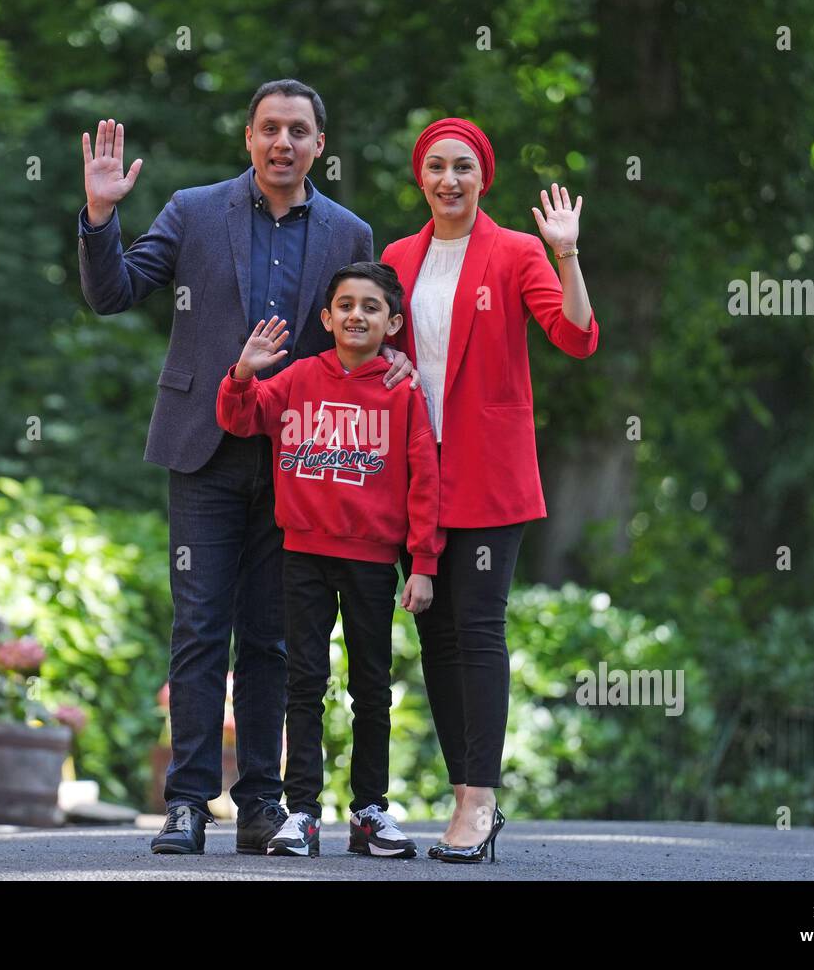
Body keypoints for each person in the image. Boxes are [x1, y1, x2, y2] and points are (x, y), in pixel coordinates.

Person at [77, 79, 416, 855]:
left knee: (273, 638)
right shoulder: (195, 211)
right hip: (203, 447)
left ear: (319, 146)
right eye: (270, 128)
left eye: (298, 131)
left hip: (303, 461)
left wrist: (397, 366)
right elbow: (114, 293)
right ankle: (189, 802)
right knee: (199, 626)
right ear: (249, 137)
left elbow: (365, 329)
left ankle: (262, 804)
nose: (282, 143)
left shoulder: (348, 230)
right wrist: (101, 216)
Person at [381, 117, 600, 863]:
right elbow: (381, 350)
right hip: (415, 472)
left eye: (463, 168)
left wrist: (567, 254)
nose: (450, 179)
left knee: (477, 630)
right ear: (422, 177)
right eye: (437, 166)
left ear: (483, 178)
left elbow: (575, 335)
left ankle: (480, 799)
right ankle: (461, 790)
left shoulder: (515, 251)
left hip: (490, 473)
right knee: (434, 635)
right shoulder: (397, 257)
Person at [215, 263, 444, 858]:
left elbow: (425, 479)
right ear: (326, 317)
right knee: (304, 685)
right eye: (345, 305)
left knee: (372, 689)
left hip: (372, 561)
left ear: (393, 323)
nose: (356, 315)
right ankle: (304, 814)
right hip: (304, 556)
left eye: (371, 307)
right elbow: (240, 416)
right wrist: (243, 371)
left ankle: (370, 813)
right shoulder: (297, 379)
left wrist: (422, 563)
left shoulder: (402, 388)